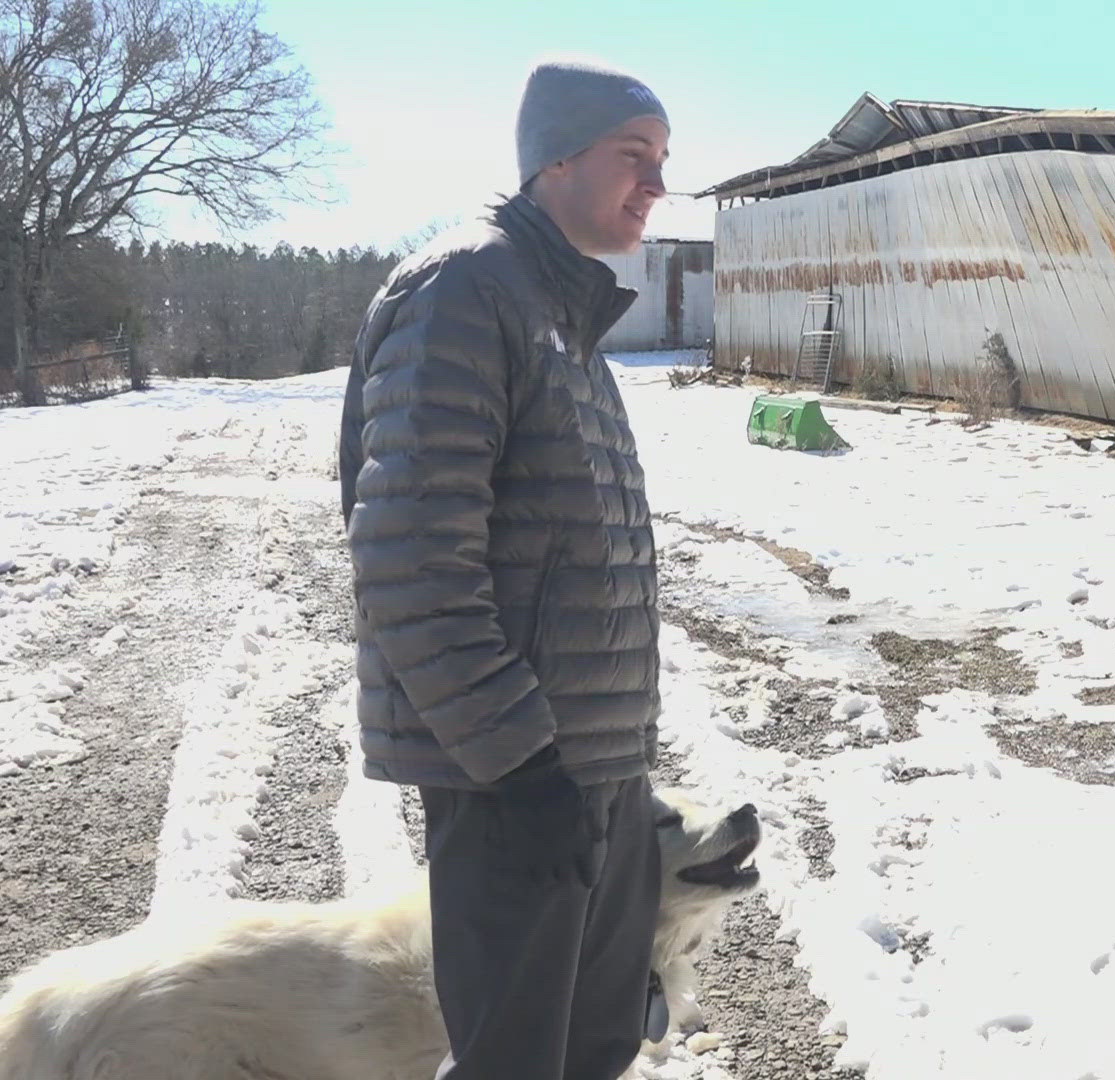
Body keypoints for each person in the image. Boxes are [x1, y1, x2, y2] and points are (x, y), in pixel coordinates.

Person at [337, 57, 672, 1080]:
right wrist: (523, 770)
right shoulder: (467, 289)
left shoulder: (562, 314)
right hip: (517, 777)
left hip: (594, 768)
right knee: (516, 1059)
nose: (657, 184)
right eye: (634, 156)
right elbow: (410, 560)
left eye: (664, 161)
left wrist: (604, 774)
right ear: (555, 160)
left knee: (593, 1046)